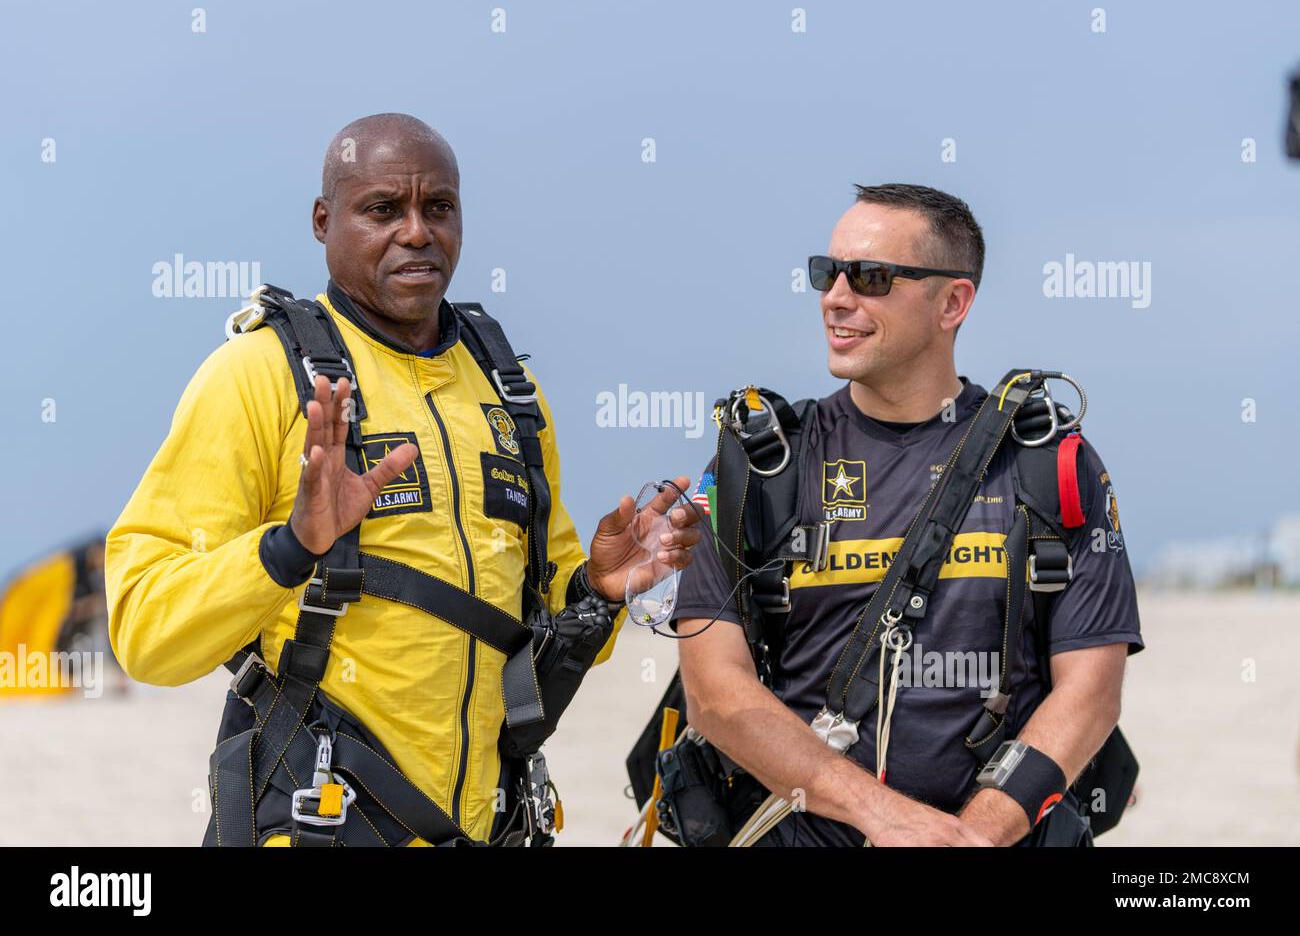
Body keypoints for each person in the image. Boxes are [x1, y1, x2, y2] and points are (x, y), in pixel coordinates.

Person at [105, 113, 698, 846]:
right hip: (320, 819)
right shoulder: (257, 377)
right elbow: (144, 633)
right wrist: (290, 548)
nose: (417, 232)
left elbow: (531, 638)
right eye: (383, 209)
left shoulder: (509, 392)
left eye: (437, 208)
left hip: (489, 823)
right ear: (324, 221)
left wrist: (598, 594)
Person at [671, 183, 1142, 846]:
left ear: (953, 302)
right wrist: (883, 816)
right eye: (826, 273)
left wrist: (974, 836)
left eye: (870, 277)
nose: (836, 297)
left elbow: (1090, 693)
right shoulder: (762, 467)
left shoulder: (1049, 463)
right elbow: (717, 694)